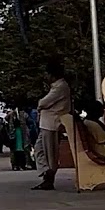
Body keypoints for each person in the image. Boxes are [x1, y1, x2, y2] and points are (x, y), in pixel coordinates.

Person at [32, 59, 72, 190]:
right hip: (47, 124)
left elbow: (43, 103)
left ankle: (49, 177)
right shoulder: (57, 87)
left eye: (47, 74)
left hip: (52, 123)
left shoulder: (60, 87)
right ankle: (46, 172)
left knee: (50, 153)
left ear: (52, 74)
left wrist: (40, 105)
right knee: (39, 149)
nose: (46, 77)